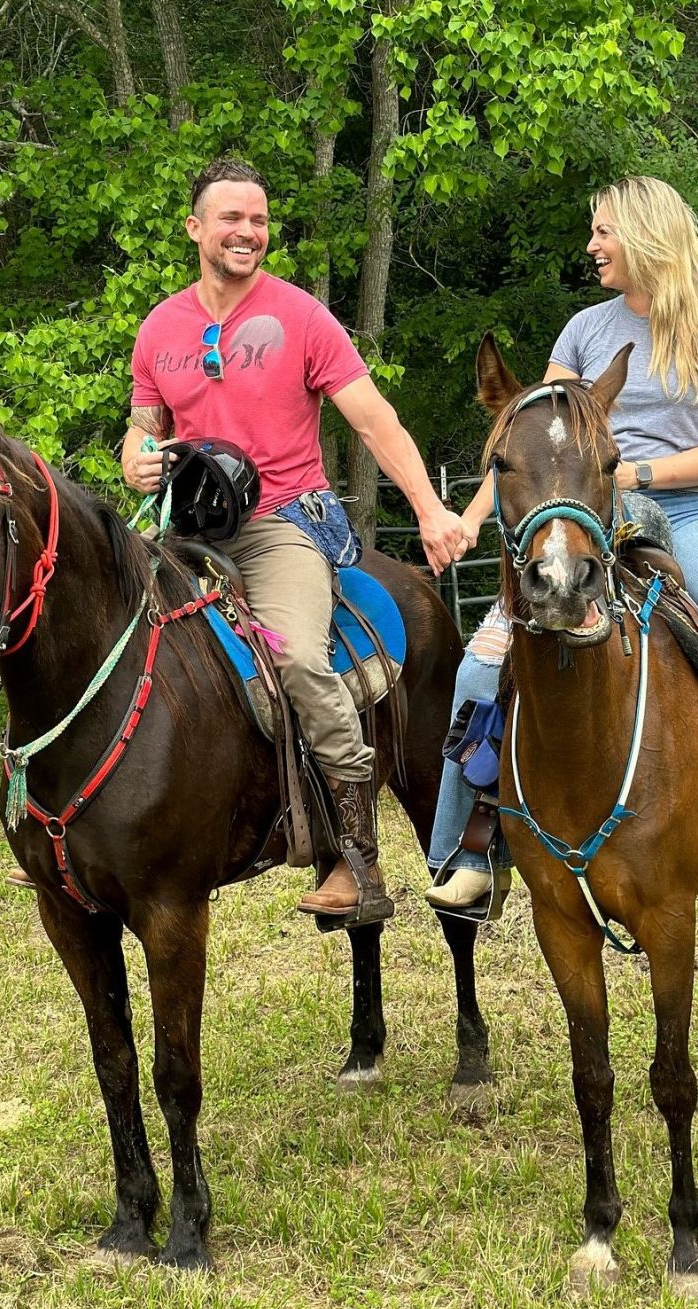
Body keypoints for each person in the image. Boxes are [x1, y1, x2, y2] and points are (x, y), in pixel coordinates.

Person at [427, 174, 698, 913]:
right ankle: (469, 851)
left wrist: (636, 471)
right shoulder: (583, 329)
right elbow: (528, 438)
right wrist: (471, 519)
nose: (592, 244)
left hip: (694, 513)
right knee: (480, 664)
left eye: (603, 231)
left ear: (646, 235)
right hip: (585, 512)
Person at [124, 157, 465, 921]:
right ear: (195, 230)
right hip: (185, 531)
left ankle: (355, 858)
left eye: (259, 220)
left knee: (301, 660)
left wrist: (429, 508)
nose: (248, 232)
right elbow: (144, 424)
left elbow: (373, 419)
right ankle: (100, 831)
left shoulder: (301, 316)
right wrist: (135, 459)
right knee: (99, 629)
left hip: (281, 523)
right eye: (231, 219)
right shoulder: (162, 327)